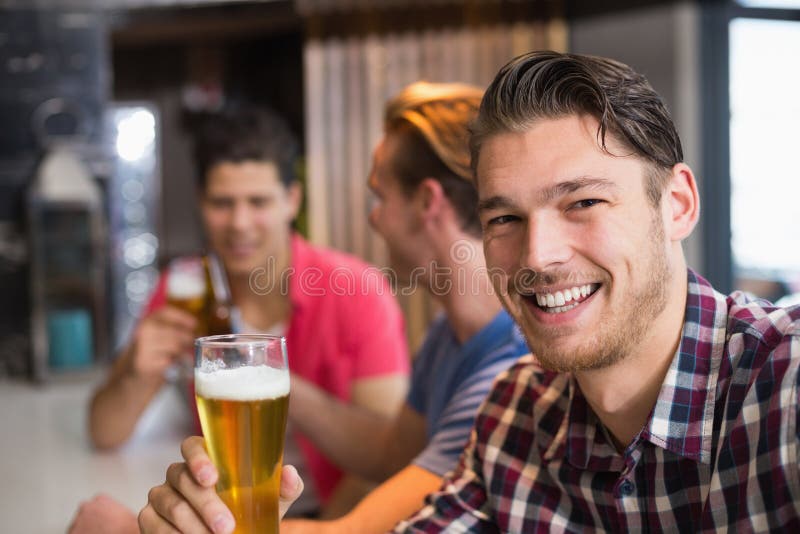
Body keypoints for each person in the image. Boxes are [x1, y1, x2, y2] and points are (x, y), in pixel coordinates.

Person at [143, 50, 800, 533]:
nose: (538, 255)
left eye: (584, 202)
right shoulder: (514, 414)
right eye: (504, 219)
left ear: (678, 203)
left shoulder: (784, 389)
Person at [138, 81, 530, 534]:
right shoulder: (450, 335)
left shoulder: (508, 371)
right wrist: (259, 375)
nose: (372, 218)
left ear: (427, 203)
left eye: (379, 198)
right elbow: (388, 453)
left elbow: (355, 532)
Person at [85, 106, 410, 518]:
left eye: (258, 201)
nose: (239, 223)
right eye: (222, 203)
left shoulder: (356, 289)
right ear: (202, 204)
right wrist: (136, 371)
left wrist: (268, 378)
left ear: (291, 201)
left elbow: (386, 456)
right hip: (225, 513)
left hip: (333, 517)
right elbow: (103, 432)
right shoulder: (184, 287)